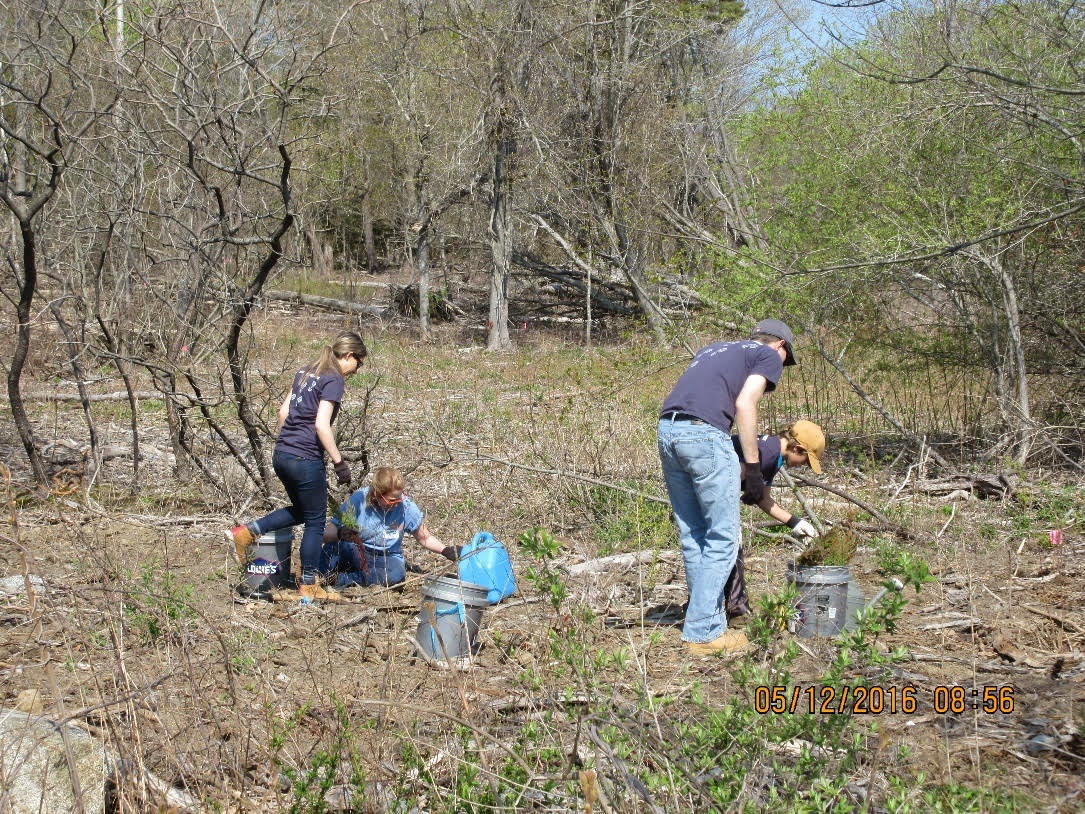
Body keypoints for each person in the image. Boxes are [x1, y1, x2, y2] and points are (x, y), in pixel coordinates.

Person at [658, 319, 796, 656]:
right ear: (780, 345)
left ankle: (705, 621)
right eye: (786, 359)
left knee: (695, 536)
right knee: (724, 537)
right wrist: (752, 468)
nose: (781, 368)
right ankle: (704, 633)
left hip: (667, 429)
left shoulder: (714, 349)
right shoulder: (767, 356)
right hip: (706, 434)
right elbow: (745, 404)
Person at [226, 331, 368, 601]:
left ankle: (246, 532)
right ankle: (308, 584)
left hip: (282, 454)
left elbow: (283, 413)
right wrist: (339, 462)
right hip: (304, 458)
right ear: (349, 355)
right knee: (315, 521)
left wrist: (286, 445)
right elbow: (321, 425)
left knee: (303, 512)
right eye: (358, 363)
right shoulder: (333, 378)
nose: (356, 370)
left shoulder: (306, 370)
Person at [724, 420, 826, 619]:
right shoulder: (768, 454)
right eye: (806, 460)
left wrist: (795, 523)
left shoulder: (773, 454)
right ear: (797, 448)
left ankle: (733, 606)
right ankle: (736, 609)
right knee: (731, 545)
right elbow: (734, 470)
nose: (803, 466)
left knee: (730, 546)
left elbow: (764, 498)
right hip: (712, 492)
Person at [320, 466, 459, 588]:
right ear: (377, 494)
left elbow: (424, 537)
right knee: (331, 549)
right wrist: (340, 533)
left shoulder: (406, 506)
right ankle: (322, 577)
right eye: (391, 500)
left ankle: (345, 579)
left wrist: (445, 550)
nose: (397, 503)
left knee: (396, 575)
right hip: (358, 548)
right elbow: (328, 531)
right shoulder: (358, 501)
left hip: (387, 557)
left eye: (400, 498)